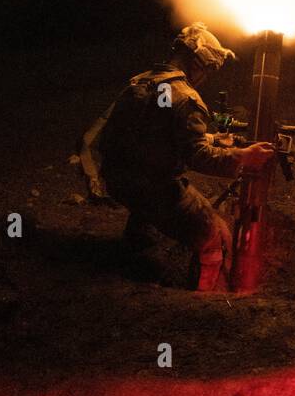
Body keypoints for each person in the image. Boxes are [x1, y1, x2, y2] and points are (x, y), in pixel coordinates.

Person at [83, 22, 273, 289]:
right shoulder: (186, 98)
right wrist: (243, 156)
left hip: (118, 180)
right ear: (197, 61)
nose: (206, 77)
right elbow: (198, 157)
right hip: (153, 187)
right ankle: (206, 301)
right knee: (217, 236)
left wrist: (214, 139)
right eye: (207, 70)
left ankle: (137, 250)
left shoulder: (141, 82)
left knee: (149, 208)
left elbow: (154, 135)